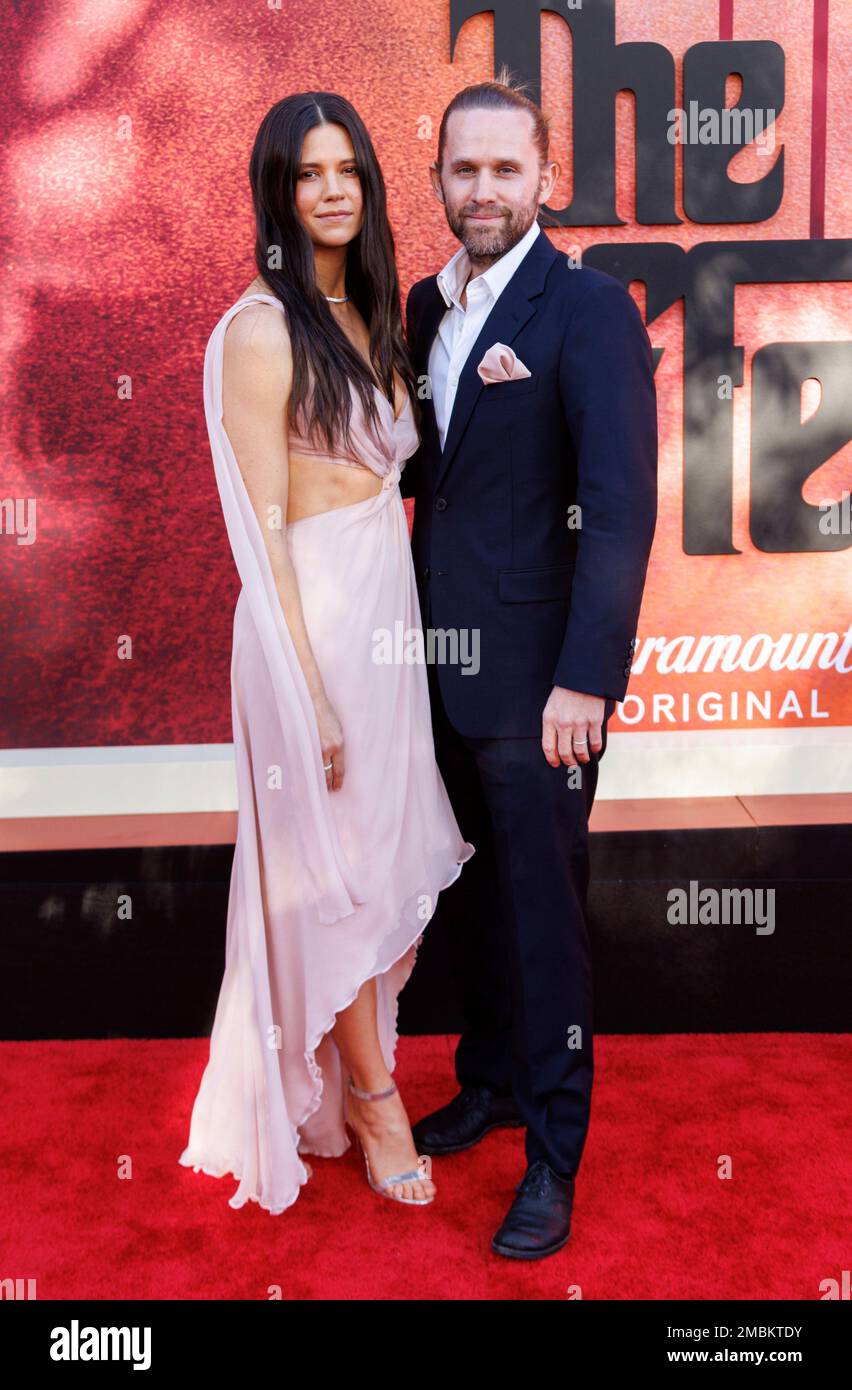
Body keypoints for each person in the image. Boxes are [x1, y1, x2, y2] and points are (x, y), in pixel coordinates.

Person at [179, 92, 474, 1214]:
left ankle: (358, 1080)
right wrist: (312, 698)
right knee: (335, 877)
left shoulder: (373, 313)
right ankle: (376, 1096)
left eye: (348, 166)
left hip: (384, 626)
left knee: (377, 860)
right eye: (308, 173)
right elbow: (261, 537)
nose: (333, 188)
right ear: (278, 191)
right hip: (309, 635)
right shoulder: (260, 329)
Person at [403, 73, 658, 1259]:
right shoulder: (425, 306)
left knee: (546, 919)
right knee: (469, 898)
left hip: (542, 686)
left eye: (508, 169)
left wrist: (586, 679)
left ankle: (554, 1152)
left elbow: (616, 509)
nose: (486, 188)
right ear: (441, 177)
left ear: (545, 178)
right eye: (466, 168)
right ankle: (495, 1082)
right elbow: (428, 487)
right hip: (433, 668)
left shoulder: (590, 308)